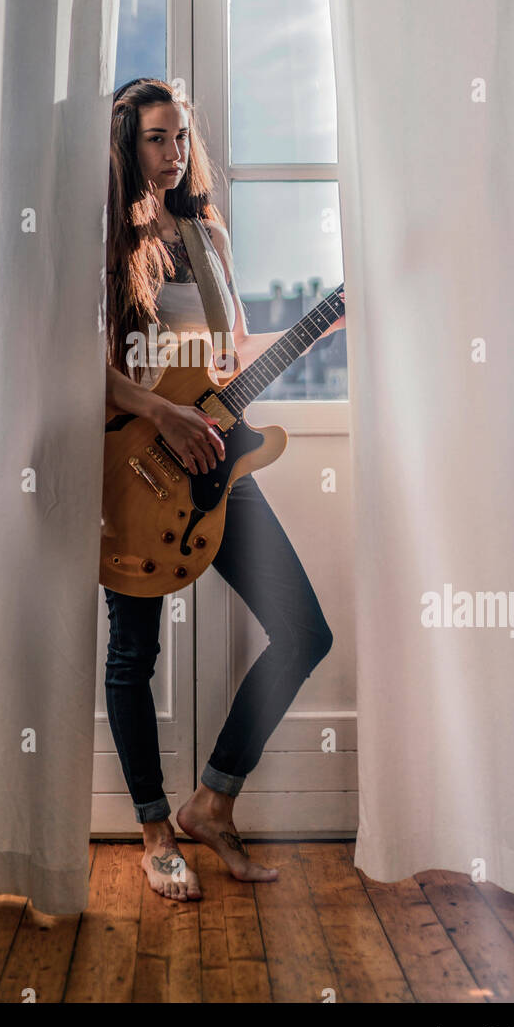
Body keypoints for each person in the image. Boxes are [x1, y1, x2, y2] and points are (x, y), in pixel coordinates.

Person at [103, 77, 345, 902]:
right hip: (137, 460)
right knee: (133, 653)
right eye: (154, 140)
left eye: (179, 139)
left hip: (222, 453)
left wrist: (325, 321)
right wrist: (161, 415)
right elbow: (75, 363)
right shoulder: (104, 240)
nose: (172, 156)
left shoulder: (208, 237)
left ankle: (214, 802)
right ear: (126, 145)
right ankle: (152, 830)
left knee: (303, 633)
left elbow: (230, 356)